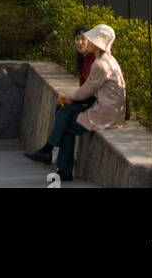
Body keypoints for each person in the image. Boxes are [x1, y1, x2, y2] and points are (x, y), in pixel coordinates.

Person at [26, 24, 126, 179]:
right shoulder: (107, 59)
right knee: (66, 116)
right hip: (106, 108)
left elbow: (87, 90)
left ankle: (57, 161)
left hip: (105, 113)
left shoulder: (100, 64)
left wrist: (71, 97)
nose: (86, 42)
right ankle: (59, 164)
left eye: (90, 39)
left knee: (67, 123)